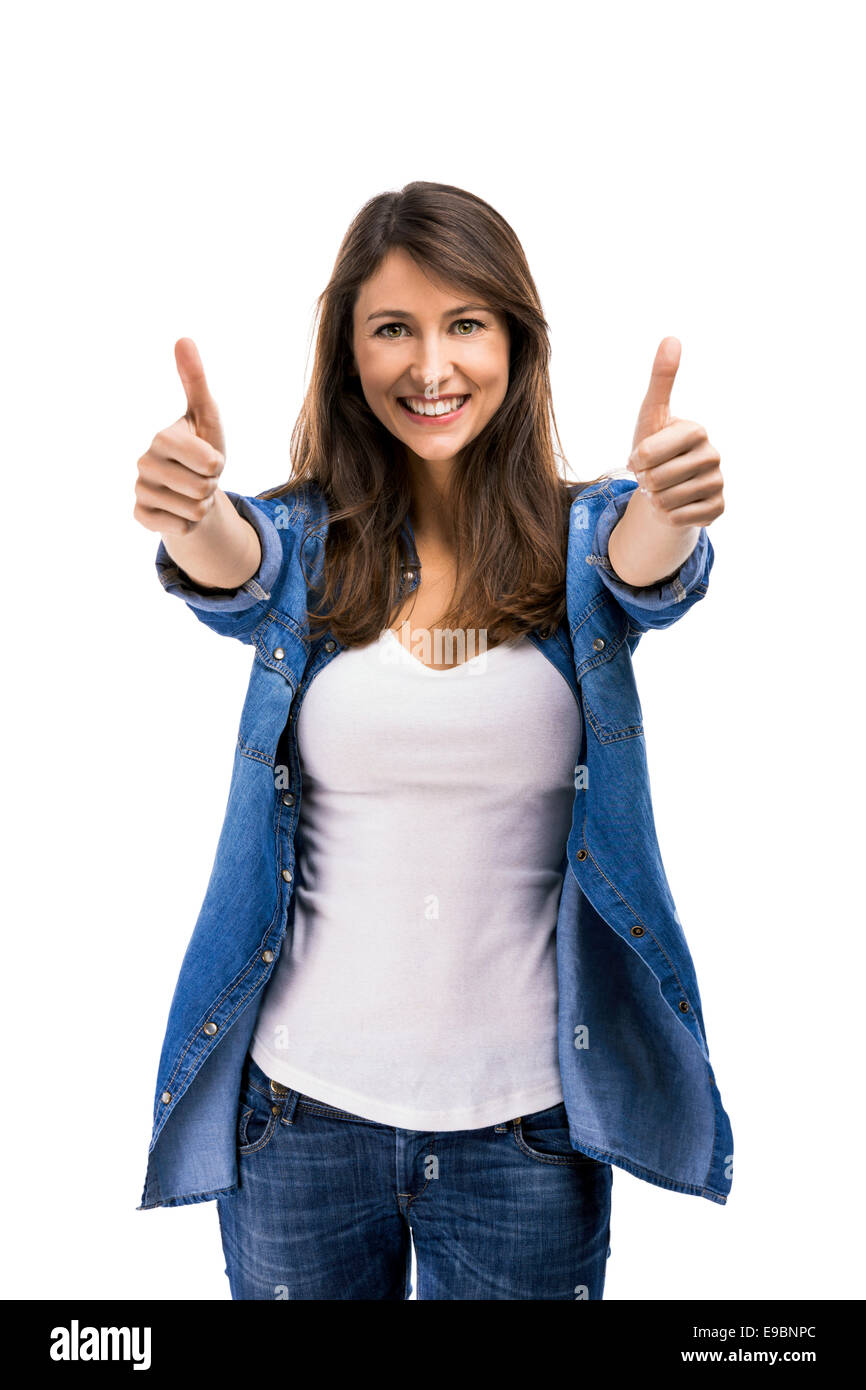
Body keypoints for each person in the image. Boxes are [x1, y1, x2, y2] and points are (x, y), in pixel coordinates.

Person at [134, 180, 730, 1300]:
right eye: (392, 328)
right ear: (347, 350)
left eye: (464, 324)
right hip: (297, 1121)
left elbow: (649, 566)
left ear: (514, 340)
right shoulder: (308, 544)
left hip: (522, 1135)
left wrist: (673, 503)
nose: (430, 366)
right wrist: (190, 511)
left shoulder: (583, 538)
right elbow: (233, 561)